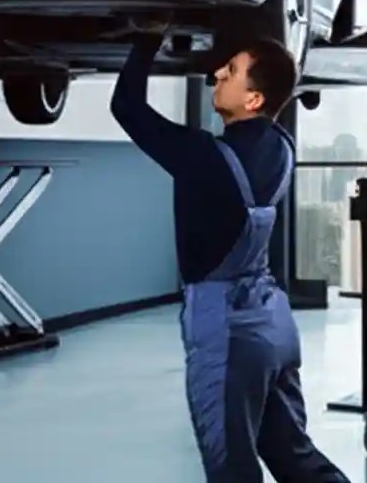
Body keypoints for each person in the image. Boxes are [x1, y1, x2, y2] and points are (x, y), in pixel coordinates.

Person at [111, 28, 349, 482]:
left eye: (232, 71)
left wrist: (146, 39)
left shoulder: (203, 157)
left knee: (231, 470)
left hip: (228, 335)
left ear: (254, 99)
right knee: (295, 458)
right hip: (274, 325)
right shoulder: (282, 147)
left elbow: (126, 108)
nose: (218, 73)